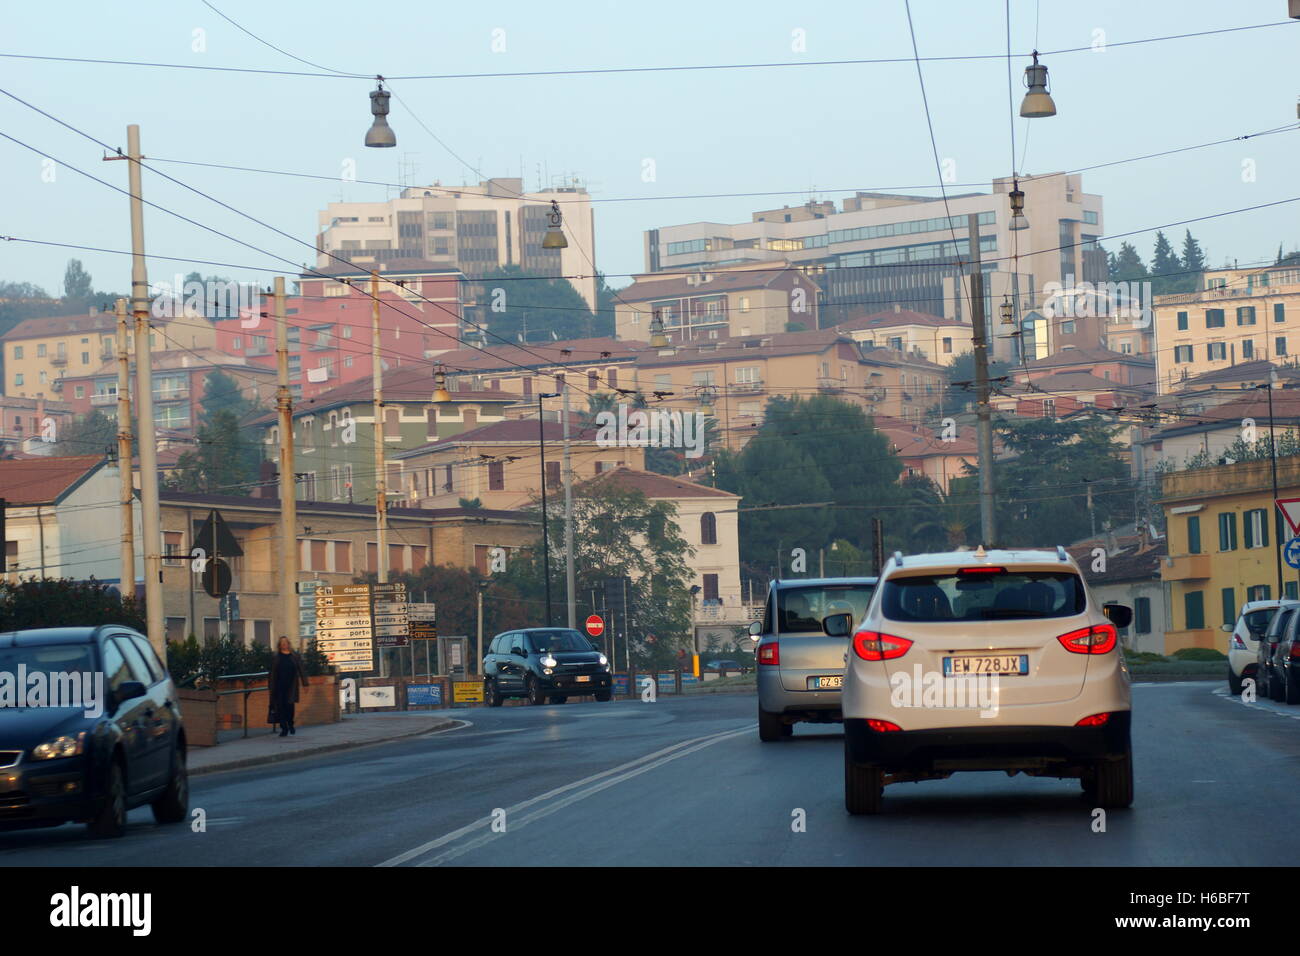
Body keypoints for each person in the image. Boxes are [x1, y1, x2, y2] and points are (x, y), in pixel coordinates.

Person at [268, 636, 309, 737]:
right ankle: (284, 728)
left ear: (288, 644)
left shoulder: (294, 656)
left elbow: (301, 670)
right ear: (279, 645)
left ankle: (290, 724)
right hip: (279, 686)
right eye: (282, 642)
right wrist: (271, 686)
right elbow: (272, 672)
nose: (284, 644)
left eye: (285, 642)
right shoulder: (276, 657)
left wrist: (305, 683)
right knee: (280, 707)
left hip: (291, 686)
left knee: (290, 707)